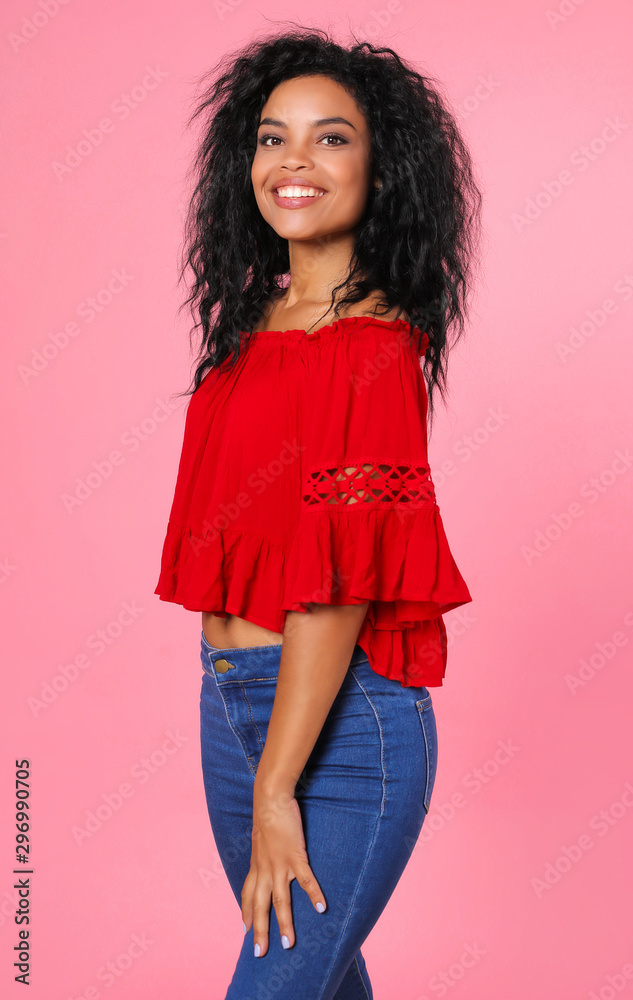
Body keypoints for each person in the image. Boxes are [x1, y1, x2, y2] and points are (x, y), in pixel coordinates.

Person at [154, 26, 482, 999]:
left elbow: (336, 584)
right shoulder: (250, 326)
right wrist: (252, 761)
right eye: (272, 137)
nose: (294, 161)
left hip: (344, 731)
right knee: (322, 985)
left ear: (381, 169)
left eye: (331, 138)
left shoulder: (375, 344)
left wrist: (276, 784)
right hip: (232, 705)